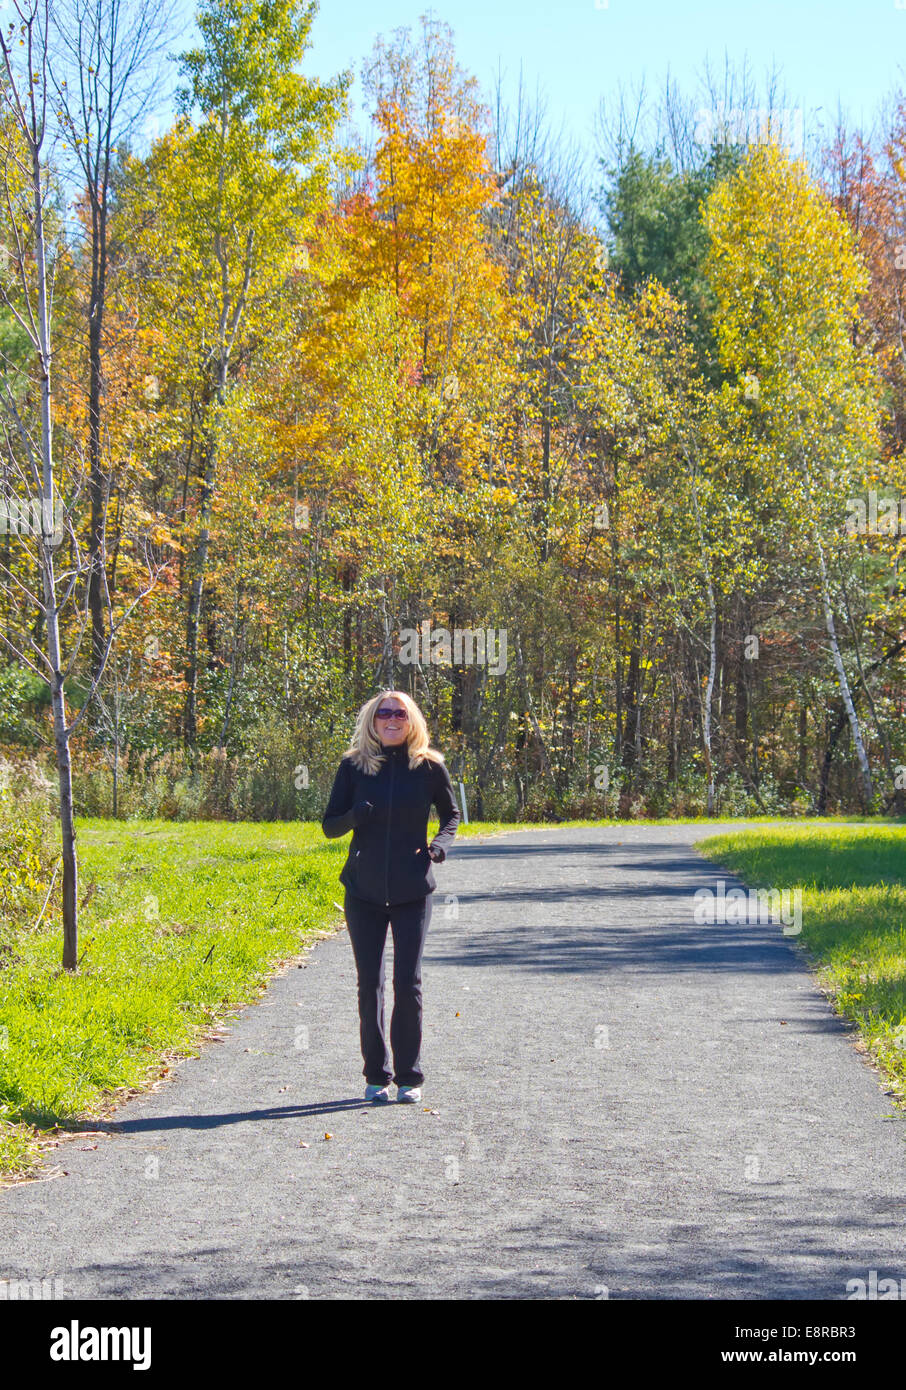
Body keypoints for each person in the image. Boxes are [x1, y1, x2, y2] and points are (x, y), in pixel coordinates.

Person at [321, 690, 461, 1104]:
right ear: (372, 720)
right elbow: (329, 825)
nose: (392, 719)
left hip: (412, 891)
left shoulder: (429, 767)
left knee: (408, 982)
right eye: (384, 713)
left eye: (400, 712)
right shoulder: (353, 766)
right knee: (370, 984)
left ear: (411, 719)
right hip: (362, 893)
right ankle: (376, 1075)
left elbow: (451, 814)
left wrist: (440, 846)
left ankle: (409, 1078)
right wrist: (354, 817)